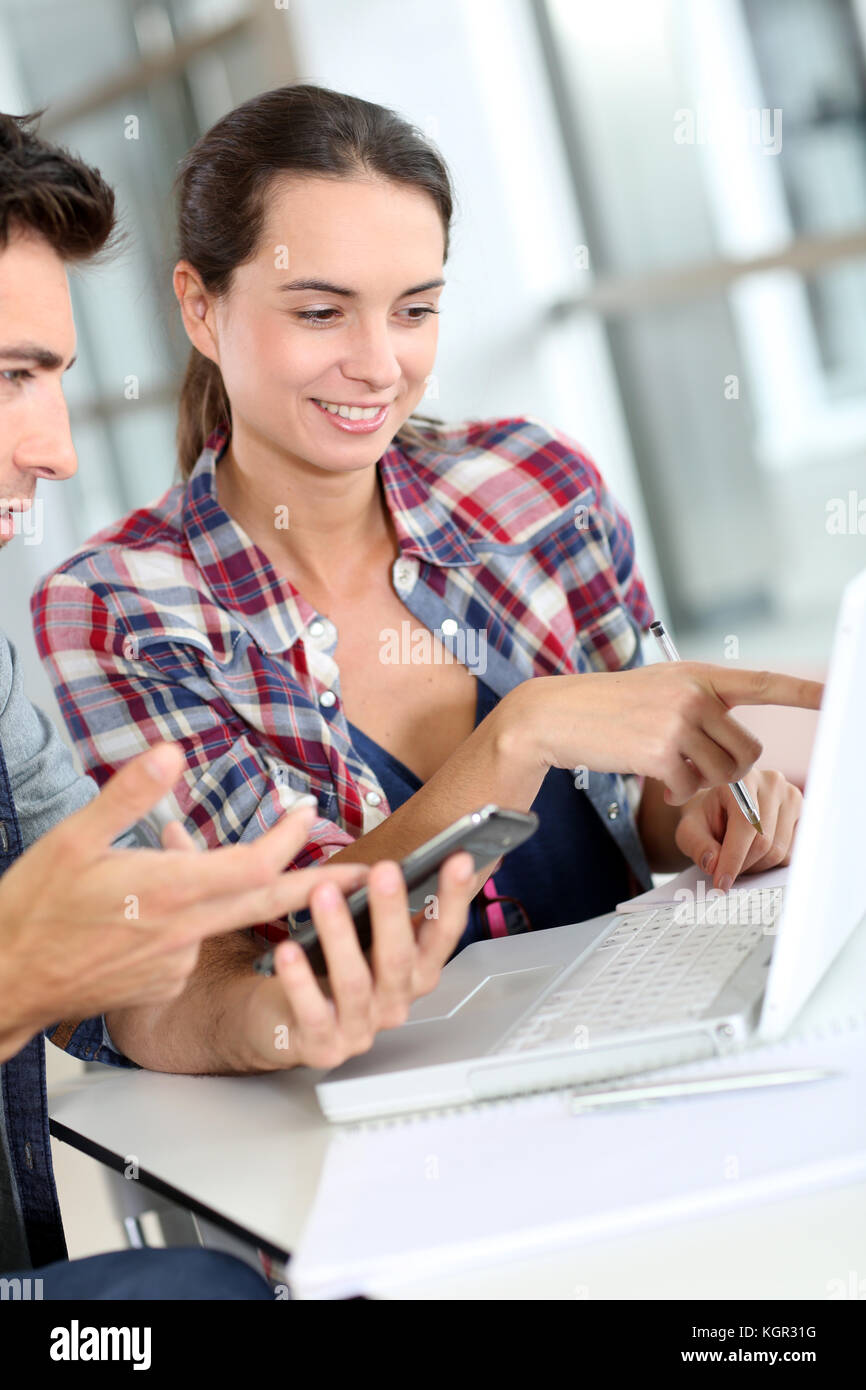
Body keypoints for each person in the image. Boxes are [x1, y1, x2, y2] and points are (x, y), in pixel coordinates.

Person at [31, 84, 822, 1082]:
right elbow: (288, 941)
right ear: (200, 306)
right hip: (371, 1117)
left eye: (413, 310)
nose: (377, 364)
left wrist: (716, 815)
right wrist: (518, 733)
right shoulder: (120, 608)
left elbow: (653, 804)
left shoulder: (534, 484)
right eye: (320, 311)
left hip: (640, 1047)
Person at [0, 109, 476, 1297]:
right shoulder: (116, 602)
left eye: (48, 377)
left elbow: (136, 983)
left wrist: (269, 1014)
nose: (55, 450)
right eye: (6, 378)